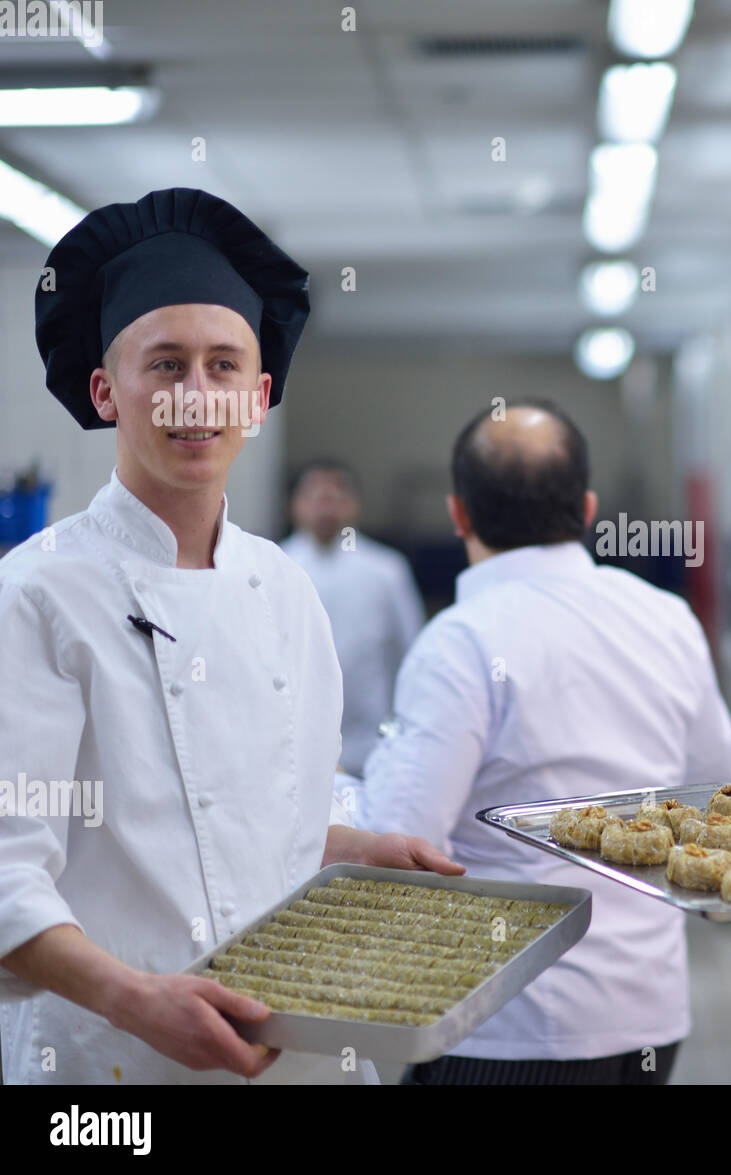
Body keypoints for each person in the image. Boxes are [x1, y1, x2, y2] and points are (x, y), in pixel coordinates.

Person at [0, 188, 461, 1085]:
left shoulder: (284, 589)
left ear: (259, 397)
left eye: (223, 366)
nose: (196, 397)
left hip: (297, 1041)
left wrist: (349, 845)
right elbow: (7, 869)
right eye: (165, 365)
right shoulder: (39, 593)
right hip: (110, 1062)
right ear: (105, 391)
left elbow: (248, 811)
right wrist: (137, 997)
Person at [354, 399, 731, 1084]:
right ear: (588, 508)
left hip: (510, 1027)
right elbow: (723, 785)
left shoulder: (460, 639)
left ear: (458, 515)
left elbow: (401, 840)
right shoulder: (666, 616)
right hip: (649, 1014)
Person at [282, 460, 425, 775]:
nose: (326, 507)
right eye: (315, 496)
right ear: (294, 504)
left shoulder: (387, 570)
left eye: (337, 496)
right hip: (291, 744)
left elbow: (410, 654)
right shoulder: (275, 565)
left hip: (370, 745)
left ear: (355, 504)